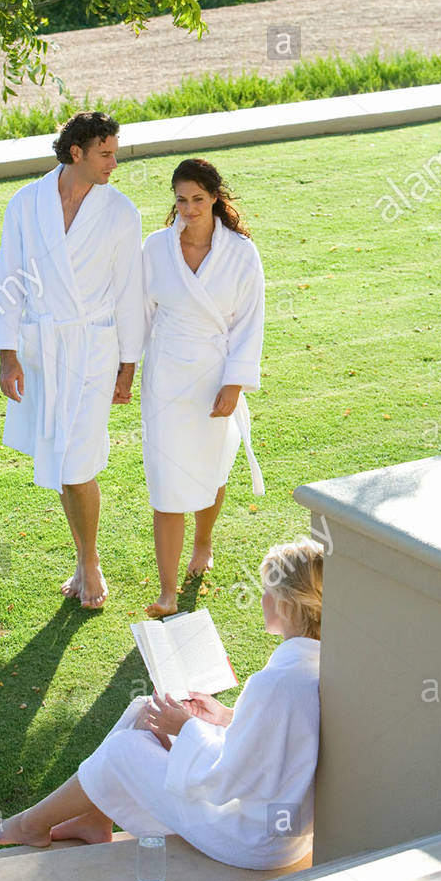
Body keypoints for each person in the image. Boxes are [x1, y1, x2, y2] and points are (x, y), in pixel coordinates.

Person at [0, 537, 323, 872]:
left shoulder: (276, 682)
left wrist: (186, 727)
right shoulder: (314, 665)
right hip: (278, 832)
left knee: (123, 749)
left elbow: (229, 778)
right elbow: (277, 743)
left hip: (249, 836)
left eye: (268, 590)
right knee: (145, 709)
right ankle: (93, 818)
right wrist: (223, 717)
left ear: (287, 605)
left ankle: (32, 824)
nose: (261, 598)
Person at [0, 111, 144, 609]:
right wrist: (7, 356)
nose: (114, 163)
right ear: (76, 152)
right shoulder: (26, 204)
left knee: (76, 465)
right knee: (58, 458)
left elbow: (129, 292)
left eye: (115, 152)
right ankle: (82, 559)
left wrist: (128, 365)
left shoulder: (120, 212)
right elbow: (8, 280)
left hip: (94, 347)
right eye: (105, 153)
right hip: (43, 348)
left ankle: (90, 561)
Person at [141, 157, 265, 617]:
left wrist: (234, 384)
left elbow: (251, 324)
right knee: (166, 481)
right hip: (166, 377)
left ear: (214, 197)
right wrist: (126, 370)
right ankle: (168, 592)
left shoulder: (241, 254)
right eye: (180, 200)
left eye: (197, 199)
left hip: (214, 375)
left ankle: (204, 540)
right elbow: (141, 313)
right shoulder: (155, 248)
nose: (189, 209)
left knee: (211, 471)